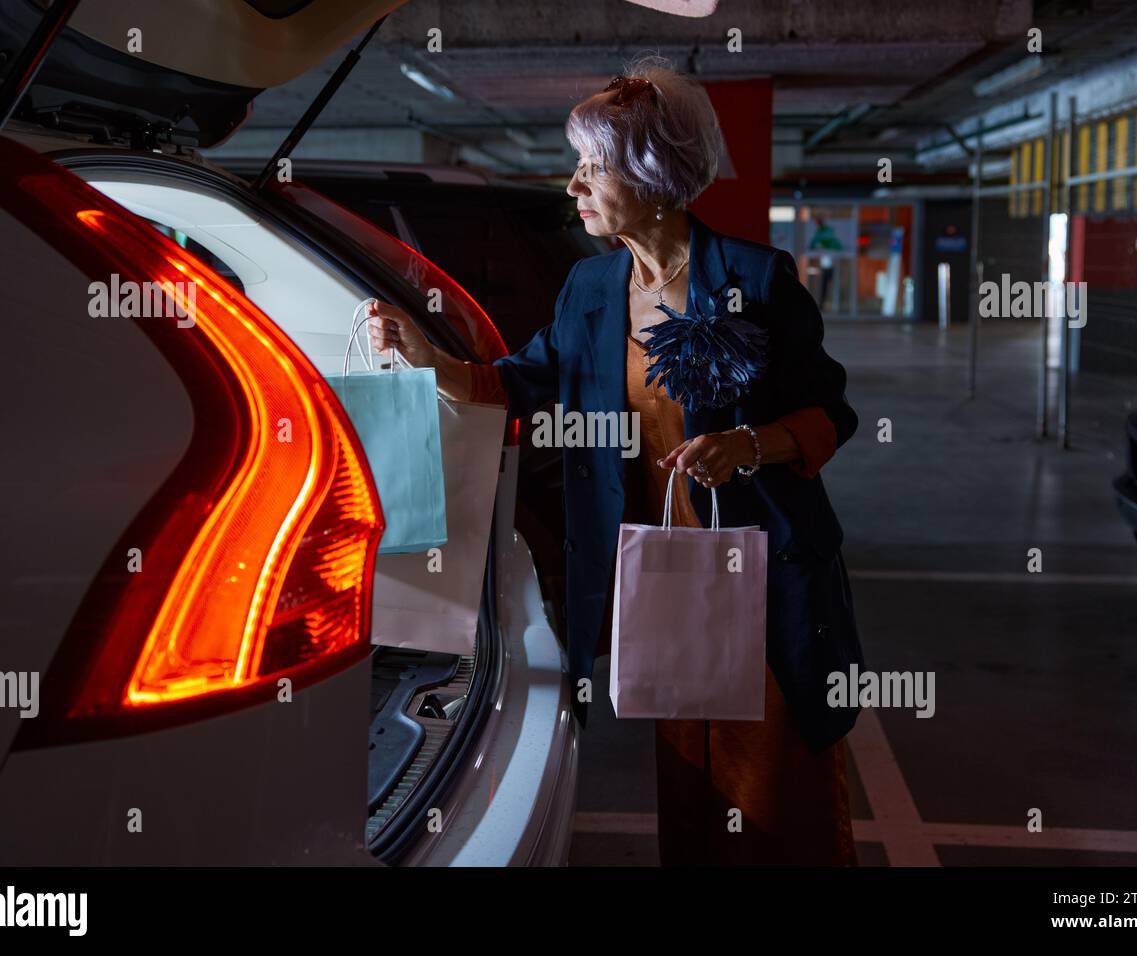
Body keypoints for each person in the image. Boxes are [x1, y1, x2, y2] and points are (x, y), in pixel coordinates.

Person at [365, 57, 864, 866]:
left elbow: (831, 412)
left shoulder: (756, 278)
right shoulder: (590, 288)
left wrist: (749, 444)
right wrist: (424, 356)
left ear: (653, 176)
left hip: (762, 573)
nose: (573, 186)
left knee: (777, 789)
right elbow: (519, 383)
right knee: (689, 778)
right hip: (662, 573)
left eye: (592, 169)